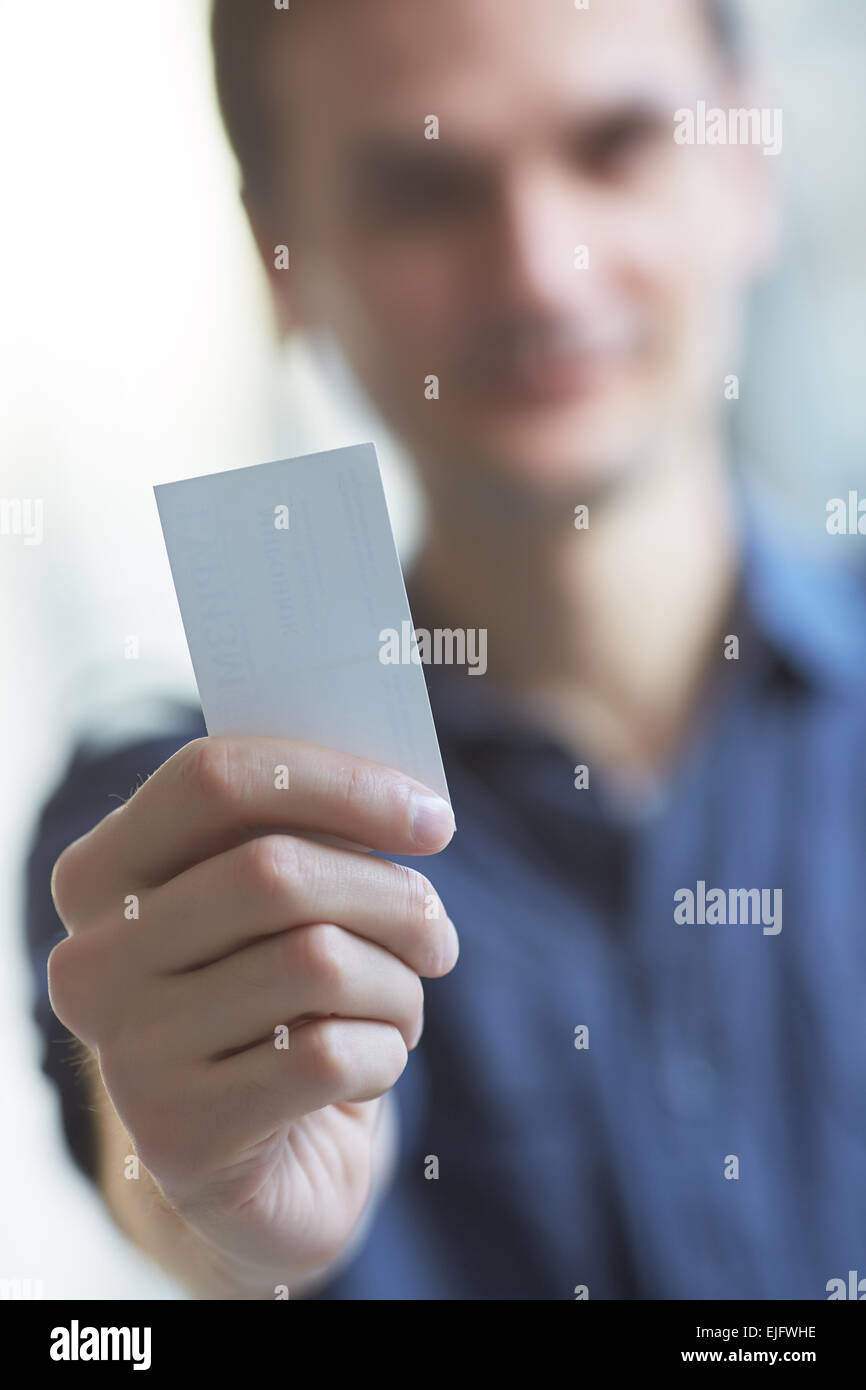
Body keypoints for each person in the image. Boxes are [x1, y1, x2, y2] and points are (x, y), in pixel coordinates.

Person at [26, 0, 866, 1299]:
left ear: (744, 166)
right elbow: (155, 1172)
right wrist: (219, 1187)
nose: (539, 267)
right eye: (422, 188)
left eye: (615, 144)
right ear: (279, 255)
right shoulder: (174, 828)